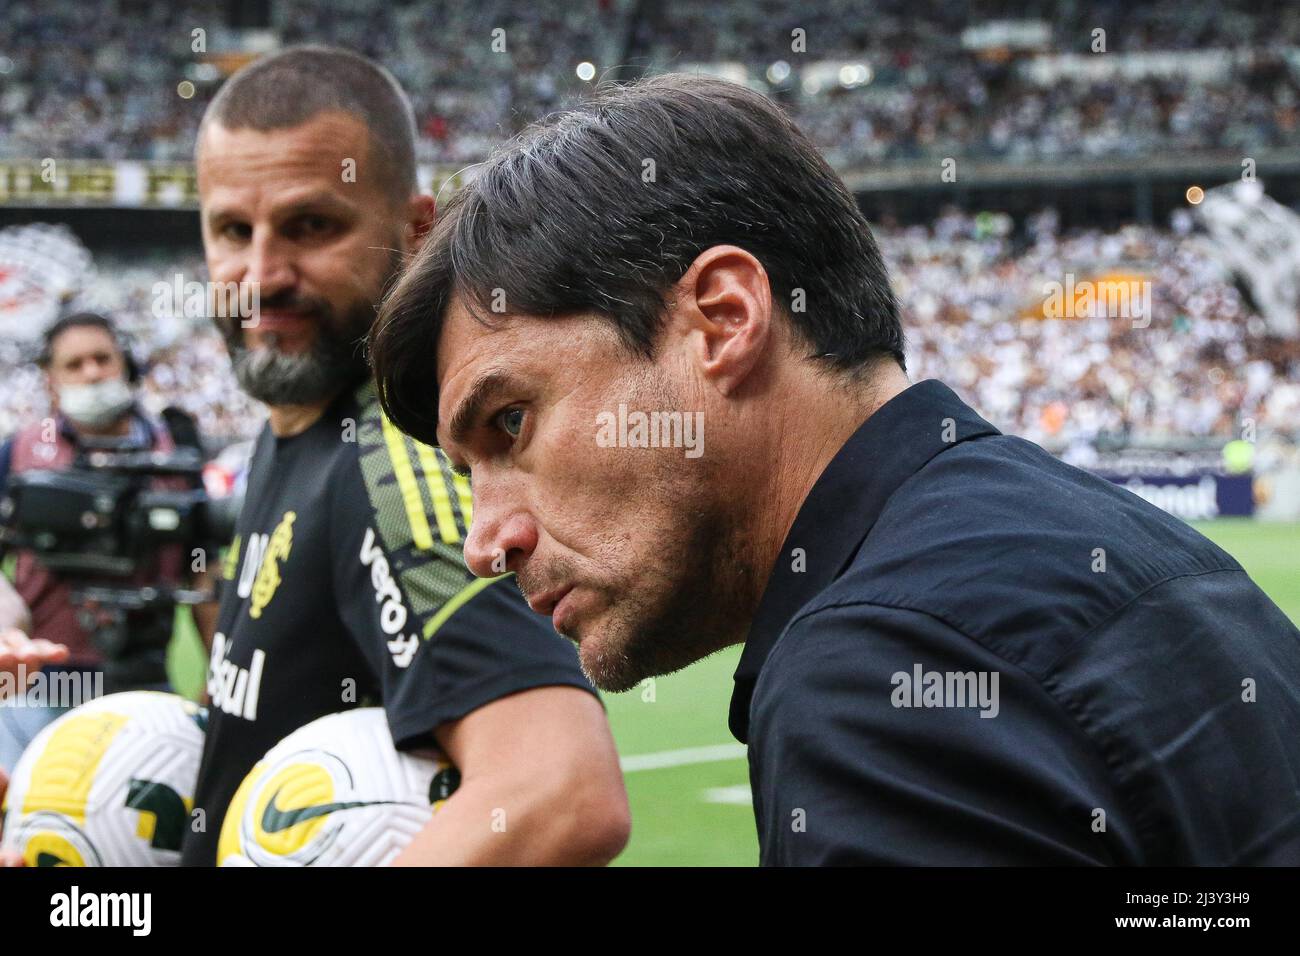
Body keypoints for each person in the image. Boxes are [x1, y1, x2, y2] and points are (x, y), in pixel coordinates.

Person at [370, 73, 1300, 865]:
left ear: (723, 322)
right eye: (466, 472)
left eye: (512, 422)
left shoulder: (875, 673)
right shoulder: (1147, 552)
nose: (486, 540)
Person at [179, 46, 628, 866]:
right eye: (233, 231)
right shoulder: (299, 425)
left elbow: (560, 791)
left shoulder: (392, 464)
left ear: (417, 230)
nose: (261, 274)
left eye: (311, 226)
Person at [0, 312, 208, 771]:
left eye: (102, 359)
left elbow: (203, 570)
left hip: (145, 683)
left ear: (127, 366)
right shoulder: (17, 453)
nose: (92, 372)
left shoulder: (175, 449)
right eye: (74, 365)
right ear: (51, 380)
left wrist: (219, 678)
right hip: (43, 683)